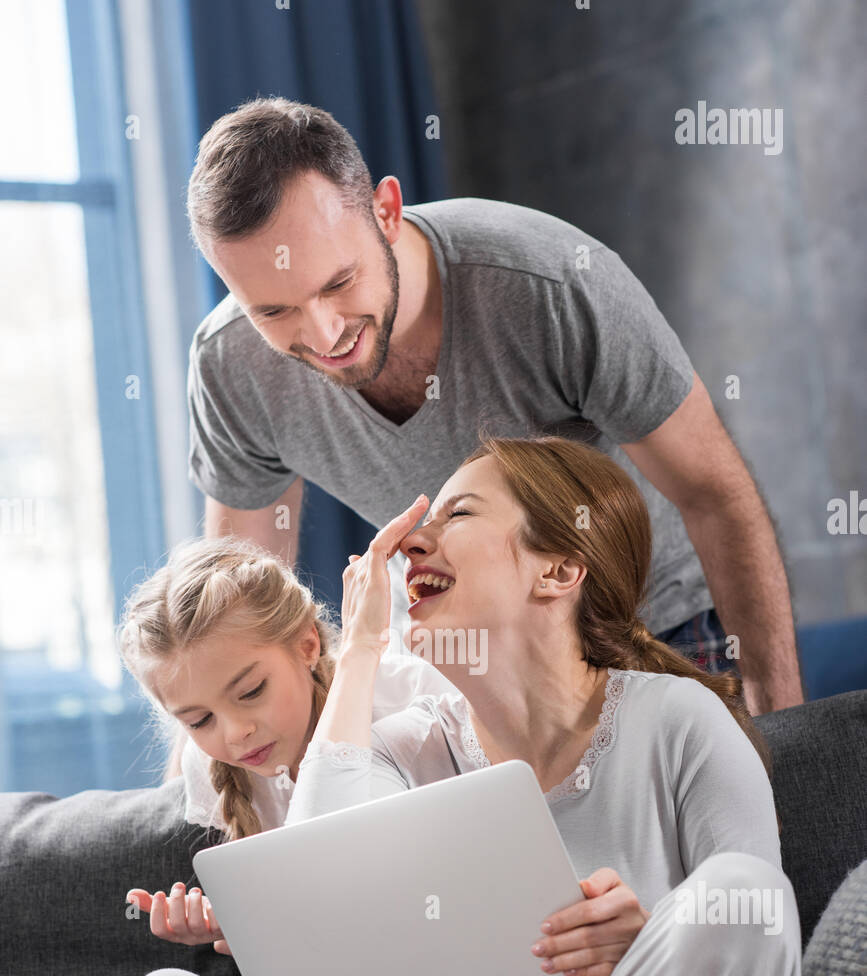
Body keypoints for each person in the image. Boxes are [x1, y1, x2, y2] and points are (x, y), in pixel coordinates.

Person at [110, 436, 806, 976]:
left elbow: (764, 960)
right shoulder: (411, 746)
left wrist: (651, 939)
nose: (413, 540)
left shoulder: (678, 720)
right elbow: (327, 878)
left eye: (457, 515)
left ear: (556, 570)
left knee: (737, 897)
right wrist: (359, 647)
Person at [182, 96, 803, 727]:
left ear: (387, 213)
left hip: (652, 630)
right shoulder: (229, 366)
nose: (323, 334)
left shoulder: (554, 286)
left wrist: (783, 727)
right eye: (272, 311)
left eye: (338, 283)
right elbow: (238, 617)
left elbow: (715, 496)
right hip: (466, 670)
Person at [117, 533, 455, 946]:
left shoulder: (415, 698)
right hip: (334, 973)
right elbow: (303, 915)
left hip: (432, 941)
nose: (235, 732)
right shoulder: (206, 765)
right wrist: (237, 926)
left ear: (307, 644)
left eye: (251, 692)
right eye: (200, 720)